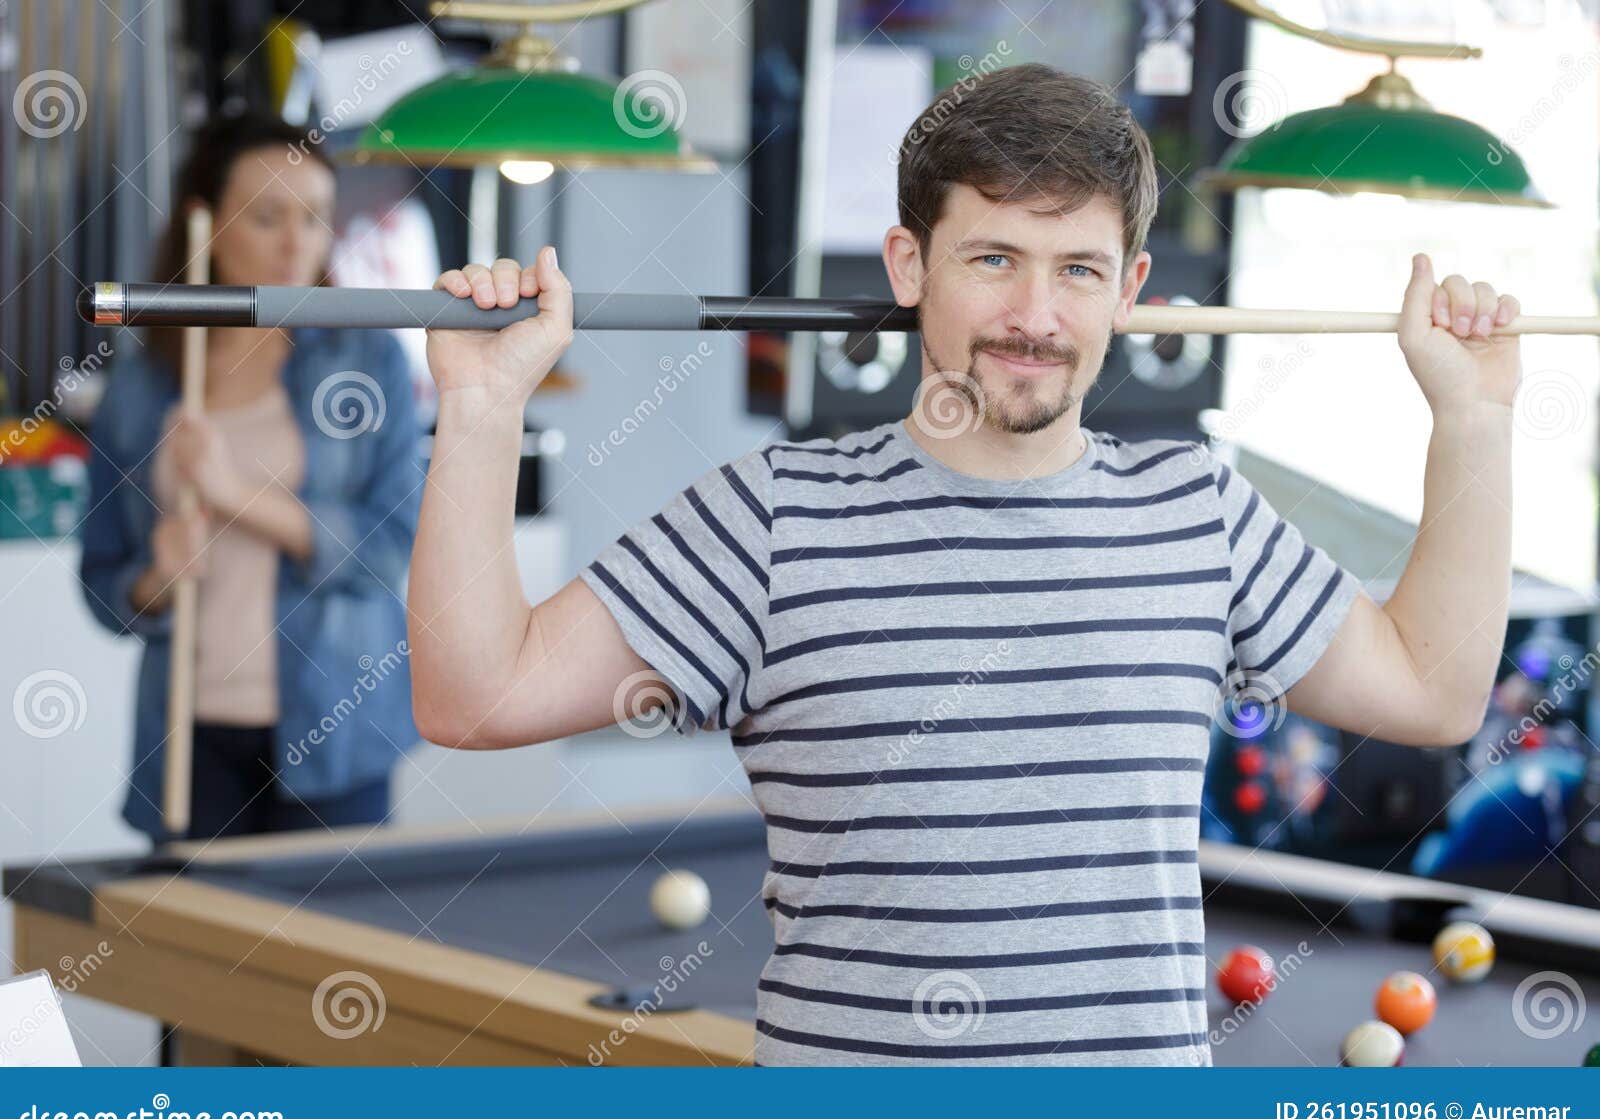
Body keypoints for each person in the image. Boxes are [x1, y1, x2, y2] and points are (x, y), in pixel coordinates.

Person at [408, 63, 1521, 1065]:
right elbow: (473, 692)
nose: (1035, 315)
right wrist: (482, 406)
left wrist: (1472, 425)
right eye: (993, 258)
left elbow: (1433, 689)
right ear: (909, 264)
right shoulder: (773, 517)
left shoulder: (1200, 510)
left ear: (1128, 289)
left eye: (1077, 268)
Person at [81, 111, 422, 842]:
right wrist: (155, 582)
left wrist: (235, 493)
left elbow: (393, 550)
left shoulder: (369, 363)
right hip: (188, 736)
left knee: (332, 958)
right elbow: (105, 586)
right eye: (267, 217)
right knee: (194, 953)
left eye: (315, 217)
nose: (296, 242)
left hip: (337, 735)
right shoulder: (144, 386)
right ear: (204, 222)